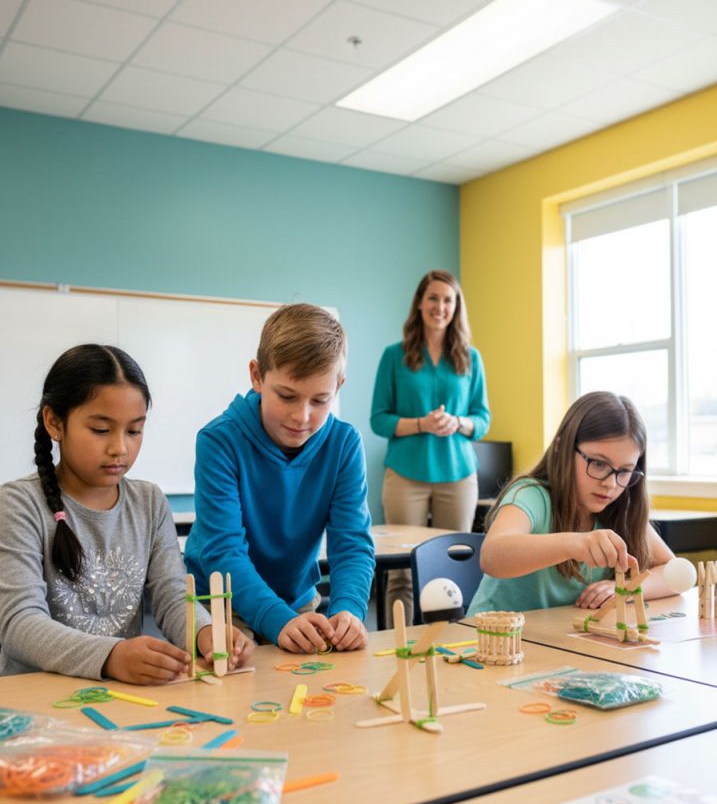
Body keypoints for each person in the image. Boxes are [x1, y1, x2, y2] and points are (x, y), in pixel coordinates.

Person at [0, 344, 254, 683]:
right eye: (101, 430)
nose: (120, 447)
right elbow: (20, 623)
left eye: (134, 430)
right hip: (37, 699)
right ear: (54, 422)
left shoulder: (148, 502)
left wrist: (204, 633)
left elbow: (173, 595)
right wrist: (110, 656)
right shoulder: (19, 504)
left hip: (118, 697)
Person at [184, 303, 374, 654]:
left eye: (320, 400)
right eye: (286, 396)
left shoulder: (344, 444)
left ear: (339, 385)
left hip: (295, 604)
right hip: (220, 605)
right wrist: (276, 618)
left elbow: (352, 545)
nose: (301, 416)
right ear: (256, 376)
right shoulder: (219, 440)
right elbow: (224, 552)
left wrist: (348, 610)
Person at [467, 391, 674, 616]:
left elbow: (677, 572)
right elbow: (492, 556)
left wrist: (626, 589)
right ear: (561, 448)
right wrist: (573, 544)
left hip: (562, 639)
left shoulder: (620, 508)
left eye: (624, 471)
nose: (610, 483)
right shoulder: (531, 495)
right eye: (598, 464)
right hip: (494, 639)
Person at [371, 269, 490, 622]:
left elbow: (482, 418)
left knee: (453, 570)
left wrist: (458, 422)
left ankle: (449, 649)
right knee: (401, 573)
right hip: (406, 476)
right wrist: (421, 423)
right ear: (420, 303)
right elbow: (379, 419)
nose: (440, 306)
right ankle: (397, 650)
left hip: (458, 477)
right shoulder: (394, 356)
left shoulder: (471, 358)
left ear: (456, 307)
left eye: (448, 300)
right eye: (433, 298)